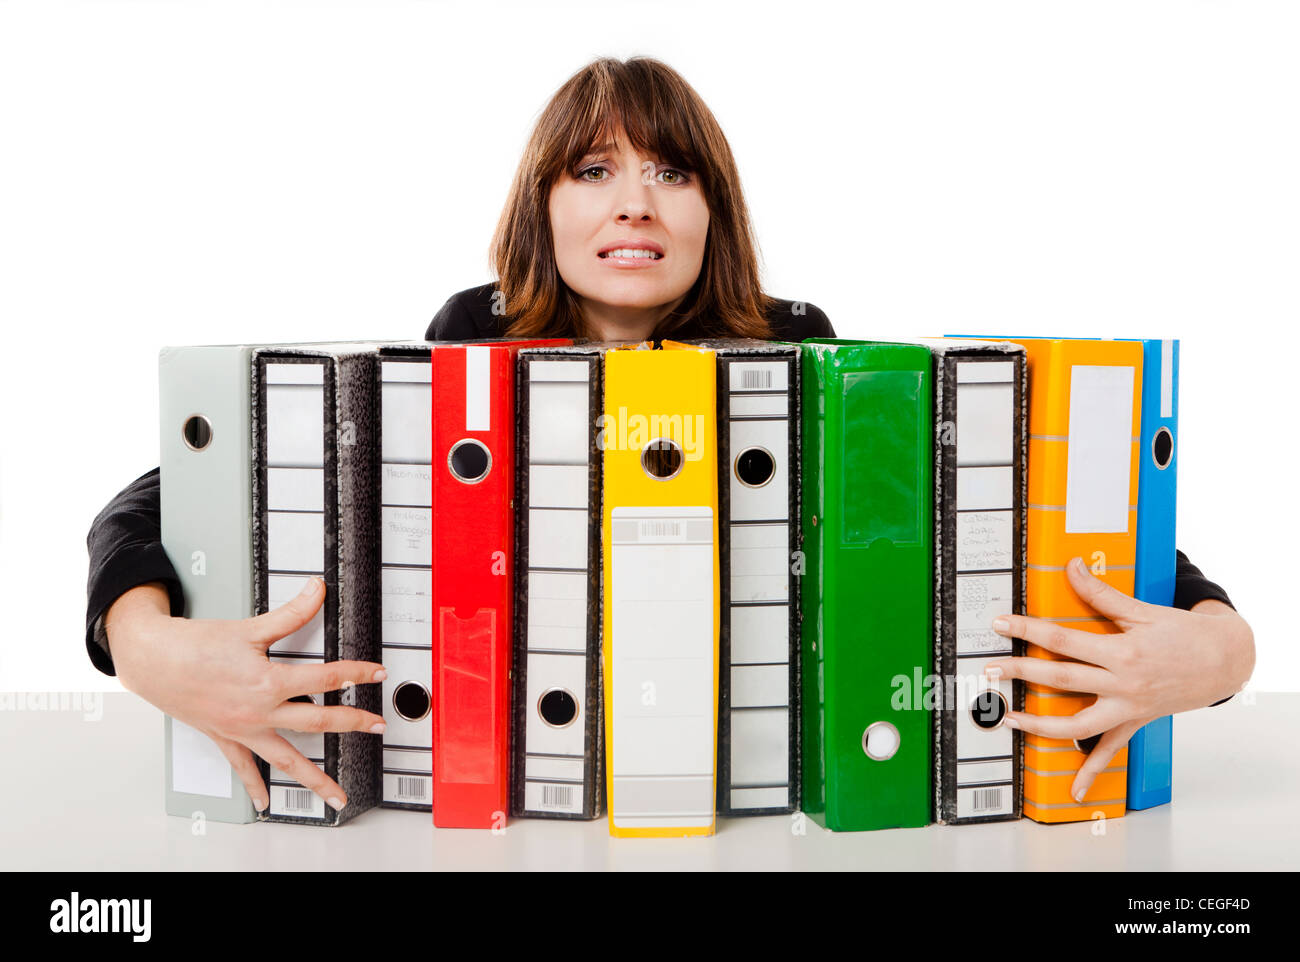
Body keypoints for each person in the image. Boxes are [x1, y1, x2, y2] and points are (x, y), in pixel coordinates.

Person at [86, 56, 1252, 819]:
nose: (633, 200)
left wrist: (1219, 650)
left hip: (753, 809)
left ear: (714, 211)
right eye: (593, 169)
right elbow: (161, 498)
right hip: (492, 805)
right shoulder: (466, 348)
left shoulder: (805, 357)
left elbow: (1008, 536)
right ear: (542, 204)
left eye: (671, 171)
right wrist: (144, 642)